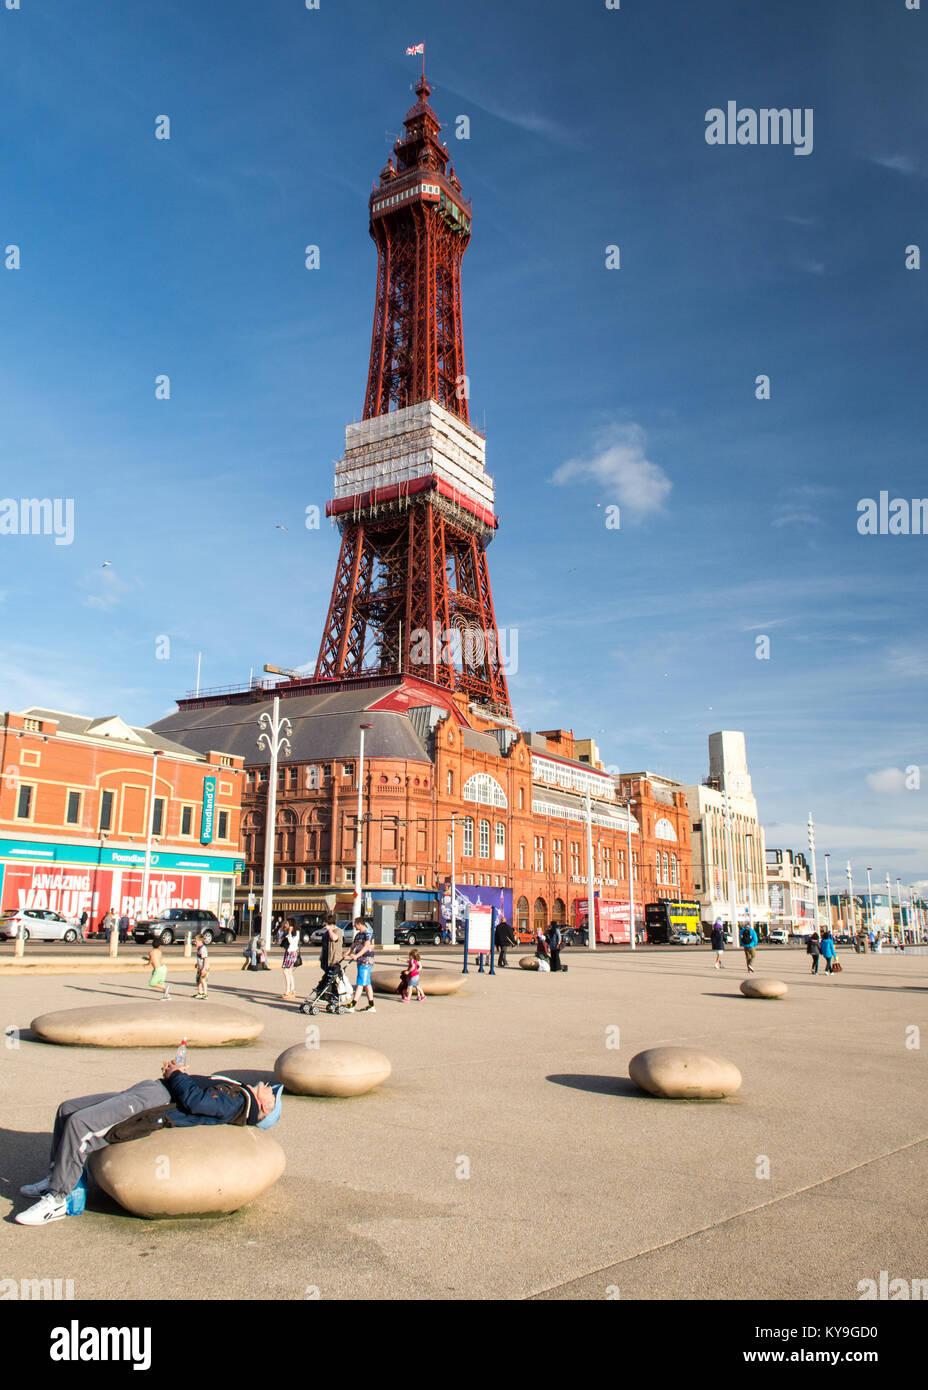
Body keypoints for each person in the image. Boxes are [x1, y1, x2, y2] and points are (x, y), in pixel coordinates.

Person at [15, 1059, 283, 1226]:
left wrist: (176, 1074)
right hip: (151, 1089)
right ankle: (55, 1176)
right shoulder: (237, 1092)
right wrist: (177, 1073)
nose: (268, 1087)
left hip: (154, 1103)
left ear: (266, 1107)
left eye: (273, 1093)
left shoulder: (237, 1102)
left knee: (81, 1124)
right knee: (67, 1109)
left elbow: (195, 1102)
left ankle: (58, 1199)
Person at [347, 917, 376, 1012]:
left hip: (366, 960)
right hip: (360, 960)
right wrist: (346, 953)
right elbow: (353, 946)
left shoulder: (368, 933)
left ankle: (353, 1004)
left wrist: (356, 955)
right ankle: (371, 1005)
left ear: (359, 924)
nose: (354, 926)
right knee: (367, 983)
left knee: (360, 982)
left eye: (355, 924)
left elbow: (366, 946)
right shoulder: (358, 935)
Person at [281, 919, 300, 1001]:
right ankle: (292, 989)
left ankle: (288, 990)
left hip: (292, 953)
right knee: (289, 972)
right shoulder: (289, 932)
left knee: (286, 971)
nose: (286, 925)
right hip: (288, 952)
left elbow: (292, 942)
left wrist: (289, 933)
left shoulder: (295, 933)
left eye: (287, 923)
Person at [193, 934, 210, 999]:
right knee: (198, 980)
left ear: (200, 942)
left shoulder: (203, 949)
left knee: (203, 980)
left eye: (196, 942)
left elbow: (205, 959)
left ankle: (205, 993)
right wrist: (197, 964)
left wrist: (204, 968)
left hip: (204, 968)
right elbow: (200, 958)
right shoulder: (199, 948)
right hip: (200, 967)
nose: (195, 943)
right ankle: (200, 992)